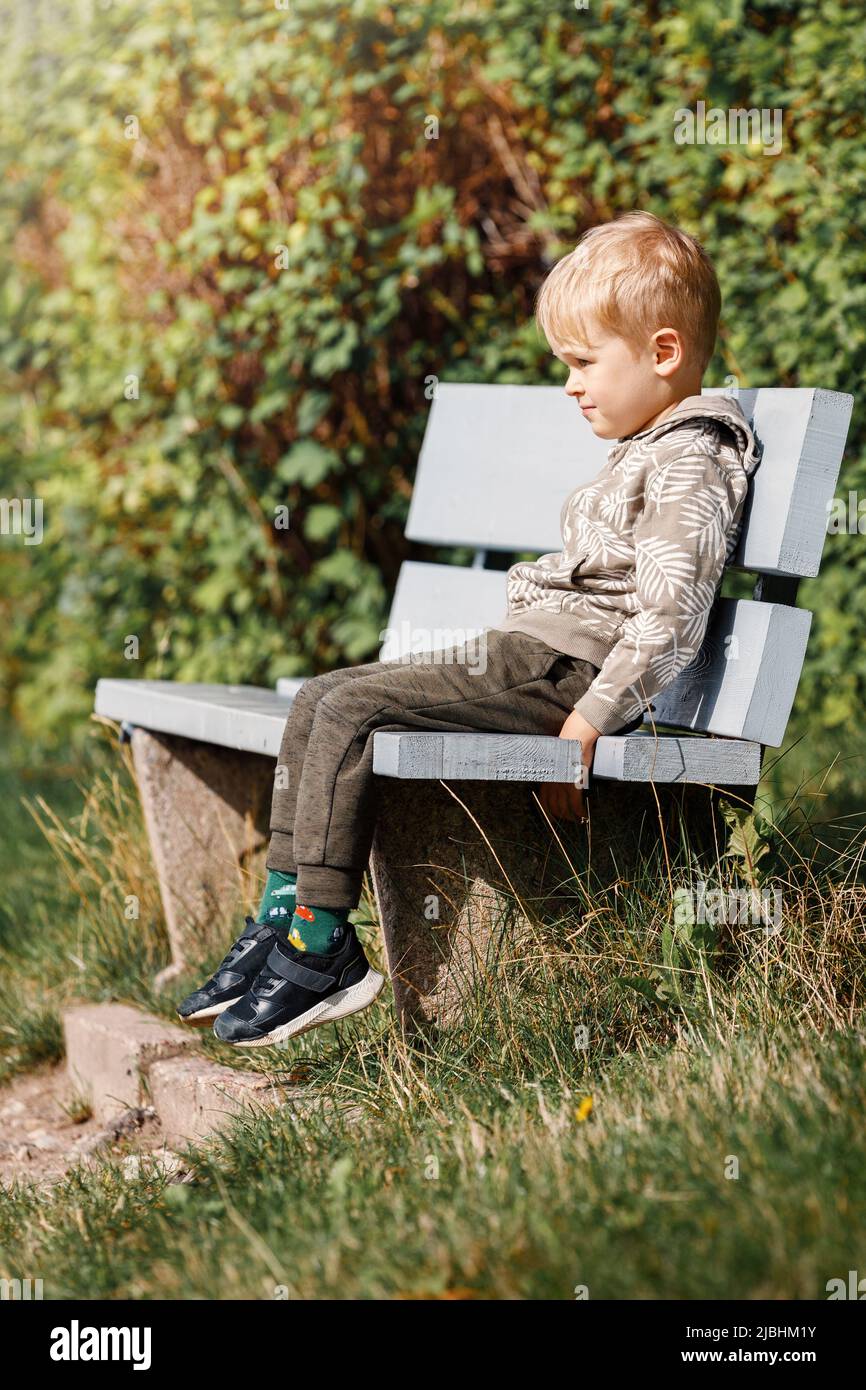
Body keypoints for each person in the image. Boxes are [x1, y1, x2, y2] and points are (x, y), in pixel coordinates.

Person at [176, 210, 760, 1048]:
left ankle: (320, 949)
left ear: (663, 354)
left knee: (349, 715)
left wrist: (591, 719)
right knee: (322, 697)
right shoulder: (651, 442)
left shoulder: (691, 455)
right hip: (536, 655)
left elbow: (670, 614)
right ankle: (282, 923)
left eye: (586, 363)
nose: (571, 385)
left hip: (566, 670)